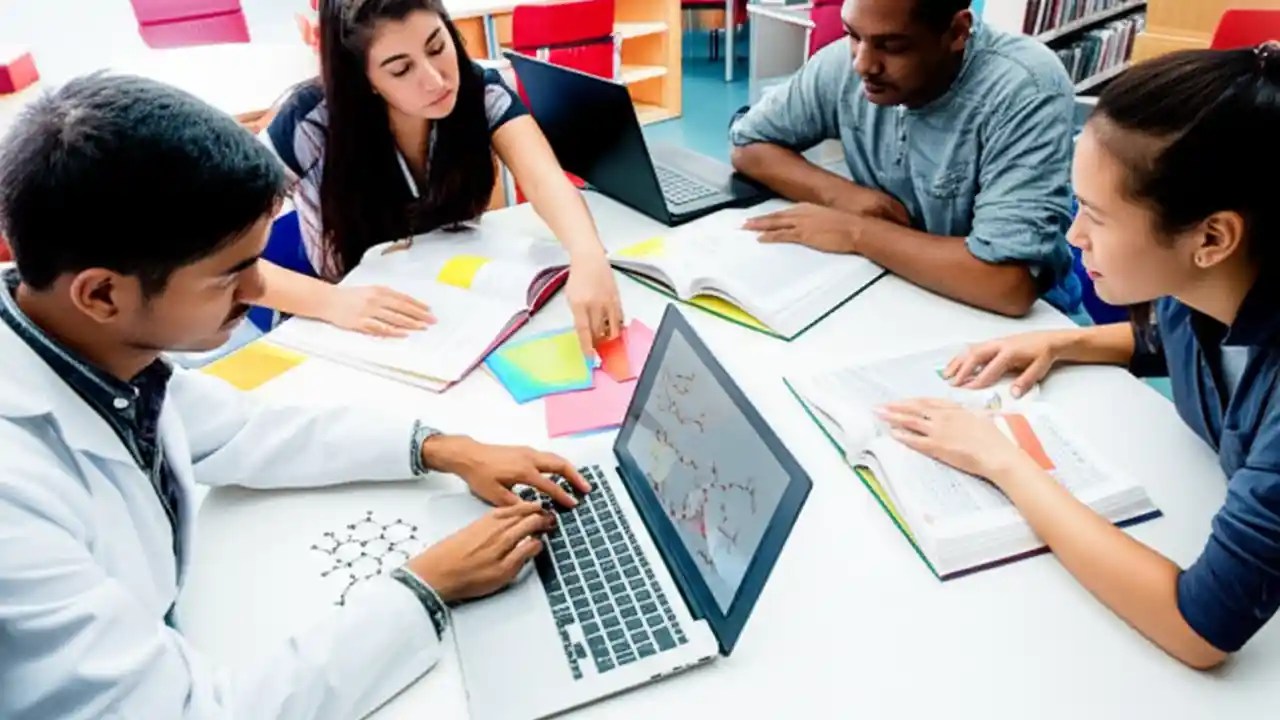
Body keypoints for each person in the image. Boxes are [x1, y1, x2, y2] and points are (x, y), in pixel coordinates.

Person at [0, 72, 593, 719]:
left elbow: (240, 431)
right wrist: (425, 589)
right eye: (230, 275)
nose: (259, 291)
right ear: (101, 294)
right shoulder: (16, 501)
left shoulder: (95, 352)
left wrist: (443, 449)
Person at [878, 45, 1280, 669]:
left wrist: (1002, 461)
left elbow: (1199, 628)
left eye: (1095, 215)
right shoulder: (1200, 287)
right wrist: (1066, 341)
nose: (1074, 236)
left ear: (1211, 237)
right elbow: (1178, 345)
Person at [255, 0, 624, 354]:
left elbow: (544, 180)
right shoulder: (310, 123)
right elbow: (222, 246)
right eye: (401, 69)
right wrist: (331, 301)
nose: (435, 80)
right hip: (358, 320)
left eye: (436, 47)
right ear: (364, 78)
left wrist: (588, 255)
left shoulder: (480, 90)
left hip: (457, 306)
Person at [729, 0, 1082, 318]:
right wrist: (843, 197)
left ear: (957, 32)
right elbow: (748, 144)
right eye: (853, 34)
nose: (861, 64)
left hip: (1023, 324)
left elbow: (1007, 284)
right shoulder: (847, 61)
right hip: (895, 288)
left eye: (892, 46)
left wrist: (856, 231)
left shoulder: (1025, 87)